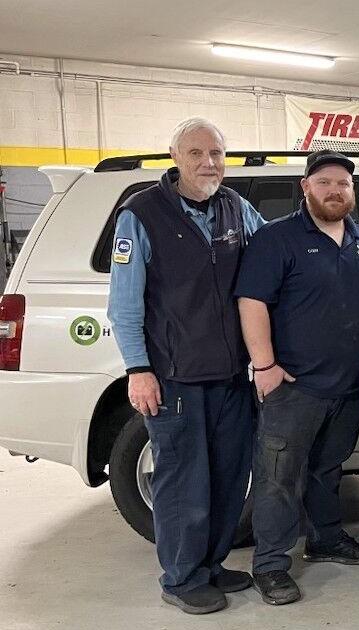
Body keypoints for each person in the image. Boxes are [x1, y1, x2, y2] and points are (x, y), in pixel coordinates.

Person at [107, 117, 265, 614]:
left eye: (216, 152)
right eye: (196, 153)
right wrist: (138, 369)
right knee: (182, 482)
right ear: (174, 157)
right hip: (172, 378)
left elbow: (272, 259)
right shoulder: (141, 215)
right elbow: (124, 305)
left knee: (227, 477)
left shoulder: (237, 209)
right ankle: (180, 578)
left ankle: (211, 565)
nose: (208, 163)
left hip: (231, 376)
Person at [234, 150, 359, 605]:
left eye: (343, 184)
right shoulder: (277, 238)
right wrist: (264, 366)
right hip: (293, 387)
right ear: (306, 187)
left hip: (347, 387)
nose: (334, 190)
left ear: (352, 191)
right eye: (324, 182)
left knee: (328, 469)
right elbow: (252, 301)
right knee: (278, 478)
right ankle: (270, 565)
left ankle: (326, 540)